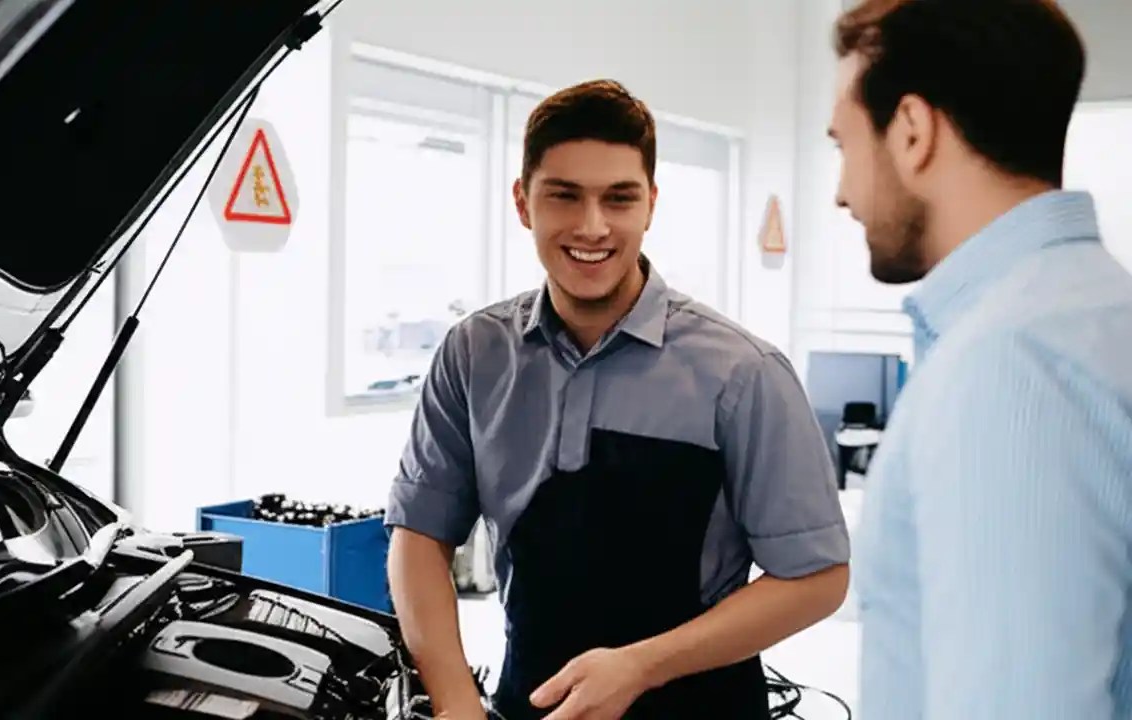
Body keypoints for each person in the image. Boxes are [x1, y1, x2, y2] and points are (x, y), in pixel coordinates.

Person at [385, 79, 850, 720]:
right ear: (523, 203)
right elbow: (419, 533)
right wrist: (456, 700)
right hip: (529, 702)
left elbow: (817, 578)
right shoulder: (475, 355)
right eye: (564, 197)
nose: (592, 226)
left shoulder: (744, 374)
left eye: (619, 199)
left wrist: (641, 666)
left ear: (651, 205)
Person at [829, 1, 1132, 718]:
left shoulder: (1010, 363)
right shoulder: (1098, 315)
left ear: (911, 130)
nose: (841, 191)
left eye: (843, 144)